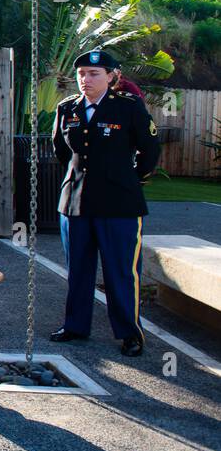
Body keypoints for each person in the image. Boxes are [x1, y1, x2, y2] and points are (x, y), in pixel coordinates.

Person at [50, 48, 160, 357]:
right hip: (76, 203)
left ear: (111, 77)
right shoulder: (67, 108)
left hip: (119, 205)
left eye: (94, 74)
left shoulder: (129, 108)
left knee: (121, 272)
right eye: (82, 73)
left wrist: (129, 179)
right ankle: (75, 325)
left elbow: (150, 151)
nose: (86, 79)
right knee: (78, 270)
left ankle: (129, 333)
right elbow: (61, 150)